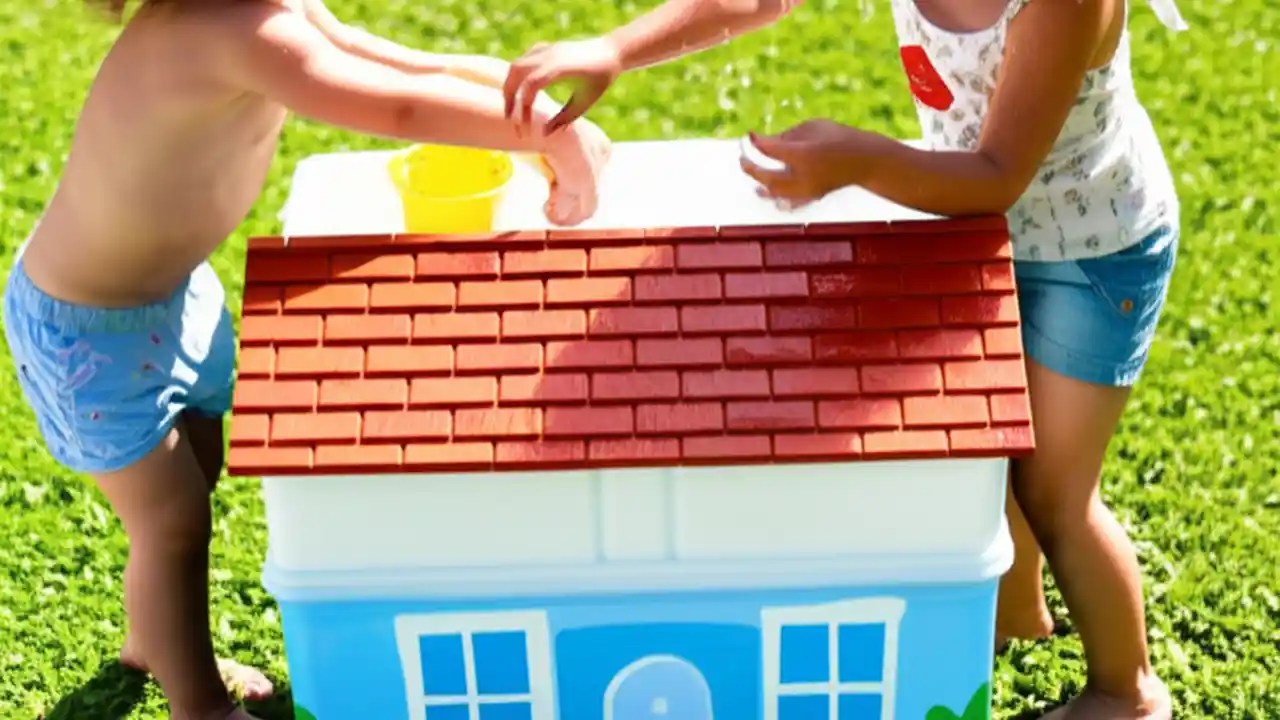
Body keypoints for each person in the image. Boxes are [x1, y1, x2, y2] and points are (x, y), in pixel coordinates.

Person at [502, 1, 1186, 718]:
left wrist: (858, 162)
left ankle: (1127, 691)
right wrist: (614, 48)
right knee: (994, 435)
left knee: (1054, 493)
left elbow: (996, 173)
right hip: (979, 233)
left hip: (1093, 251)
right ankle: (1013, 612)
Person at [2, 0, 610, 717]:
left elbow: (401, 62)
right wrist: (541, 132)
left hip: (170, 296)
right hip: (92, 333)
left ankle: (155, 639)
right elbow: (403, 109)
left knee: (196, 472)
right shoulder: (231, 30)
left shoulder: (265, 12)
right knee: (173, 520)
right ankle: (200, 706)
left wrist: (530, 107)